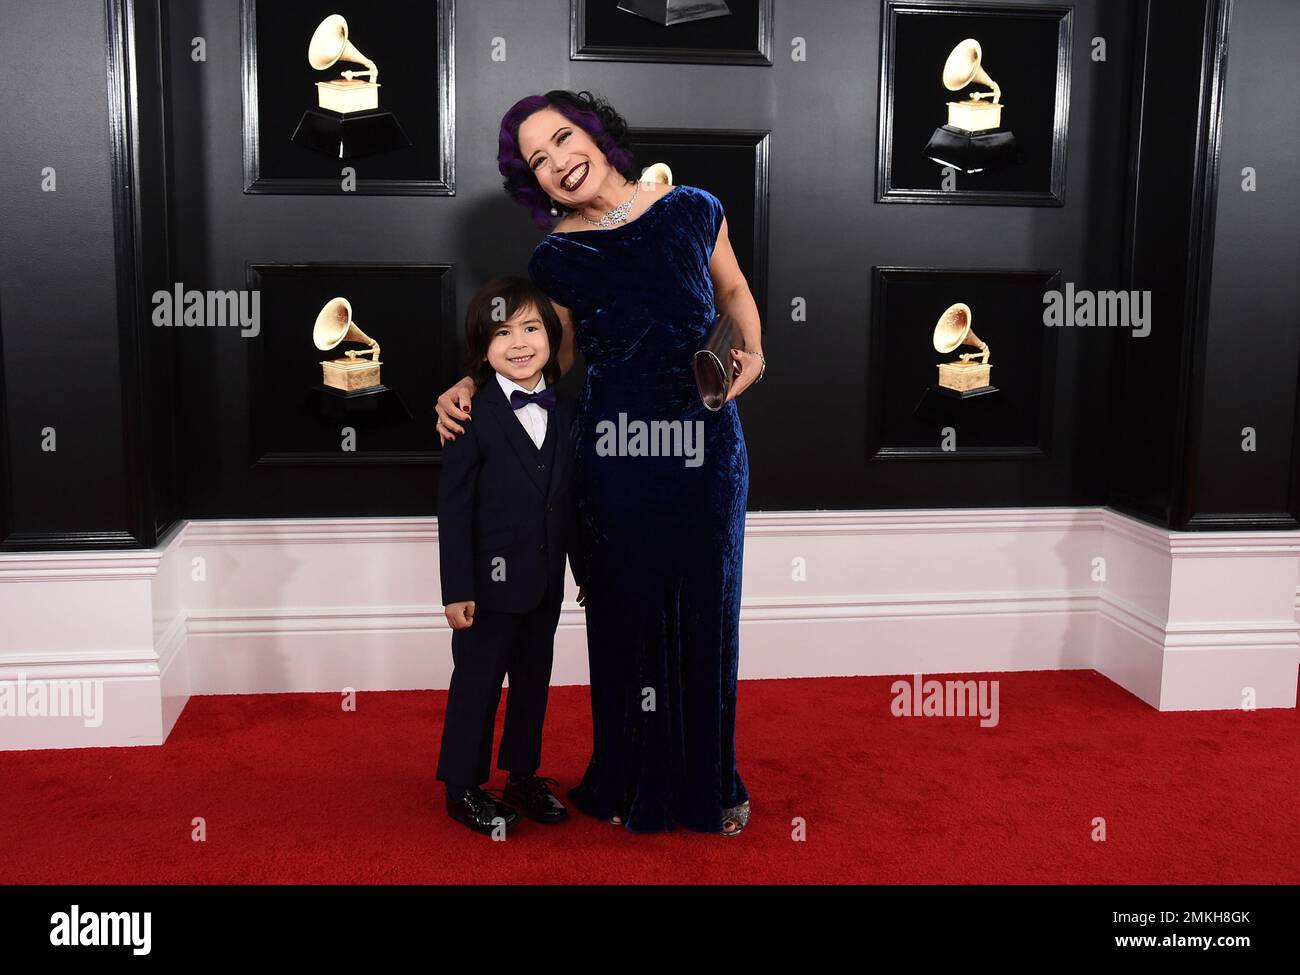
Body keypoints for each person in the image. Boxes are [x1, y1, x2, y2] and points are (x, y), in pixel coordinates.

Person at [437, 90, 765, 834]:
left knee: (708, 610)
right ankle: (630, 775)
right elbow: (537, 356)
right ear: (535, 183)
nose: (558, 163)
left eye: (563, 138)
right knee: (627, 614)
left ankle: (710, 778)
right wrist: (466, 381)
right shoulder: (555, 255)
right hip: (614, 457)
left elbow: (736, 289)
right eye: (539, 161)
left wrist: (756, 349)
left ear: (595, 129)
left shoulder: (691, 207)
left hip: (708, 446)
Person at [435, 275, 587, 836]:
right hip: (486, 587)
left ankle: (522, 775)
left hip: (543, 582)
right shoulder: (466, 413)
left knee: (533, 683)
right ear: (482, 347)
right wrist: (457, 588)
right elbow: (453, 509)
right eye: (502, 333)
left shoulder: (569, 412)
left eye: (530, 328)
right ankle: (462, 787)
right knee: (476, 683)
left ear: (551, 336)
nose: (519, 343)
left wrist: (583, 573)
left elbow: (572, 504)